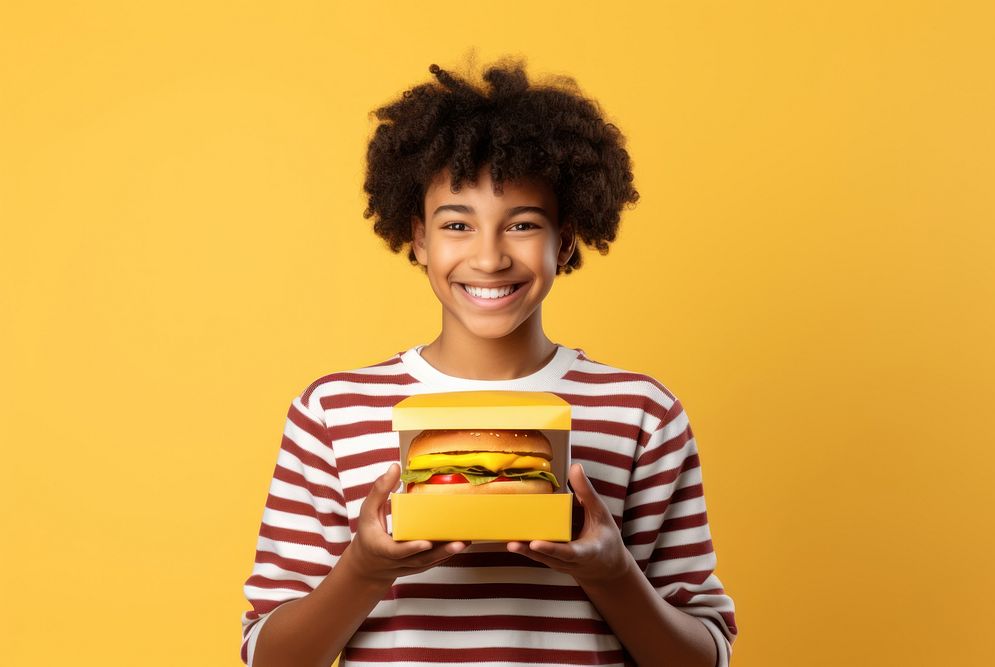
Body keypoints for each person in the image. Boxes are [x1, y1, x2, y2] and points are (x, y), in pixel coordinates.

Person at [240, 58, 738, 667]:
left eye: (523, 224)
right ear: (418, 238)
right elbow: (267, 656)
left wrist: (612, 574)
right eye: (457, 224)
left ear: (568, 238)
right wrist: (363, 572)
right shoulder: (330, 412)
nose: (489, 257)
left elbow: (705, 656)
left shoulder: (643, 414)